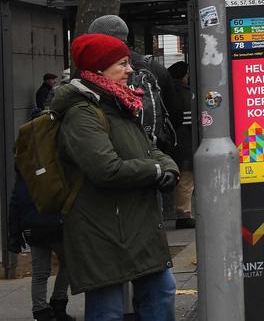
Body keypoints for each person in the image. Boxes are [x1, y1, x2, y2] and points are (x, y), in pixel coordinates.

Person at [53, 33, 179, 321]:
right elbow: (105, 169)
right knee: (106, 309)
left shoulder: (120, 102)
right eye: (122, 63)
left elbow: (150, 149)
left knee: (161, 292)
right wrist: (157, 171)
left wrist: (166, 166)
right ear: (98, 69)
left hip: (134, 225)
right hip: (102, 228)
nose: (130, 69)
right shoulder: (82, 113)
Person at [86, 16, 179, 152]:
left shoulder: (91, 69)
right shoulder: (152, 67)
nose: (128, 70)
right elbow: (175, 110)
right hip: (154, 151)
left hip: (110, 150)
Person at [8, 165, 73, 321]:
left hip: (33, 228)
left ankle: (41, 310)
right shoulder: (54, 165)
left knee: (40, 273)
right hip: (55, 225)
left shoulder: (24, 172)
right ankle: (58, 303)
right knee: (69, 264)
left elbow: (15, 203)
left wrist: (15, 235)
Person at [166, 62, 195, 228]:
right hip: (185, 142)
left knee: (182, 178)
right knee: (186, 178)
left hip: (173, 141)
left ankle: (183, 212)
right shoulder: (186, 95)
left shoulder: (167, 92)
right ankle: (184, 214)